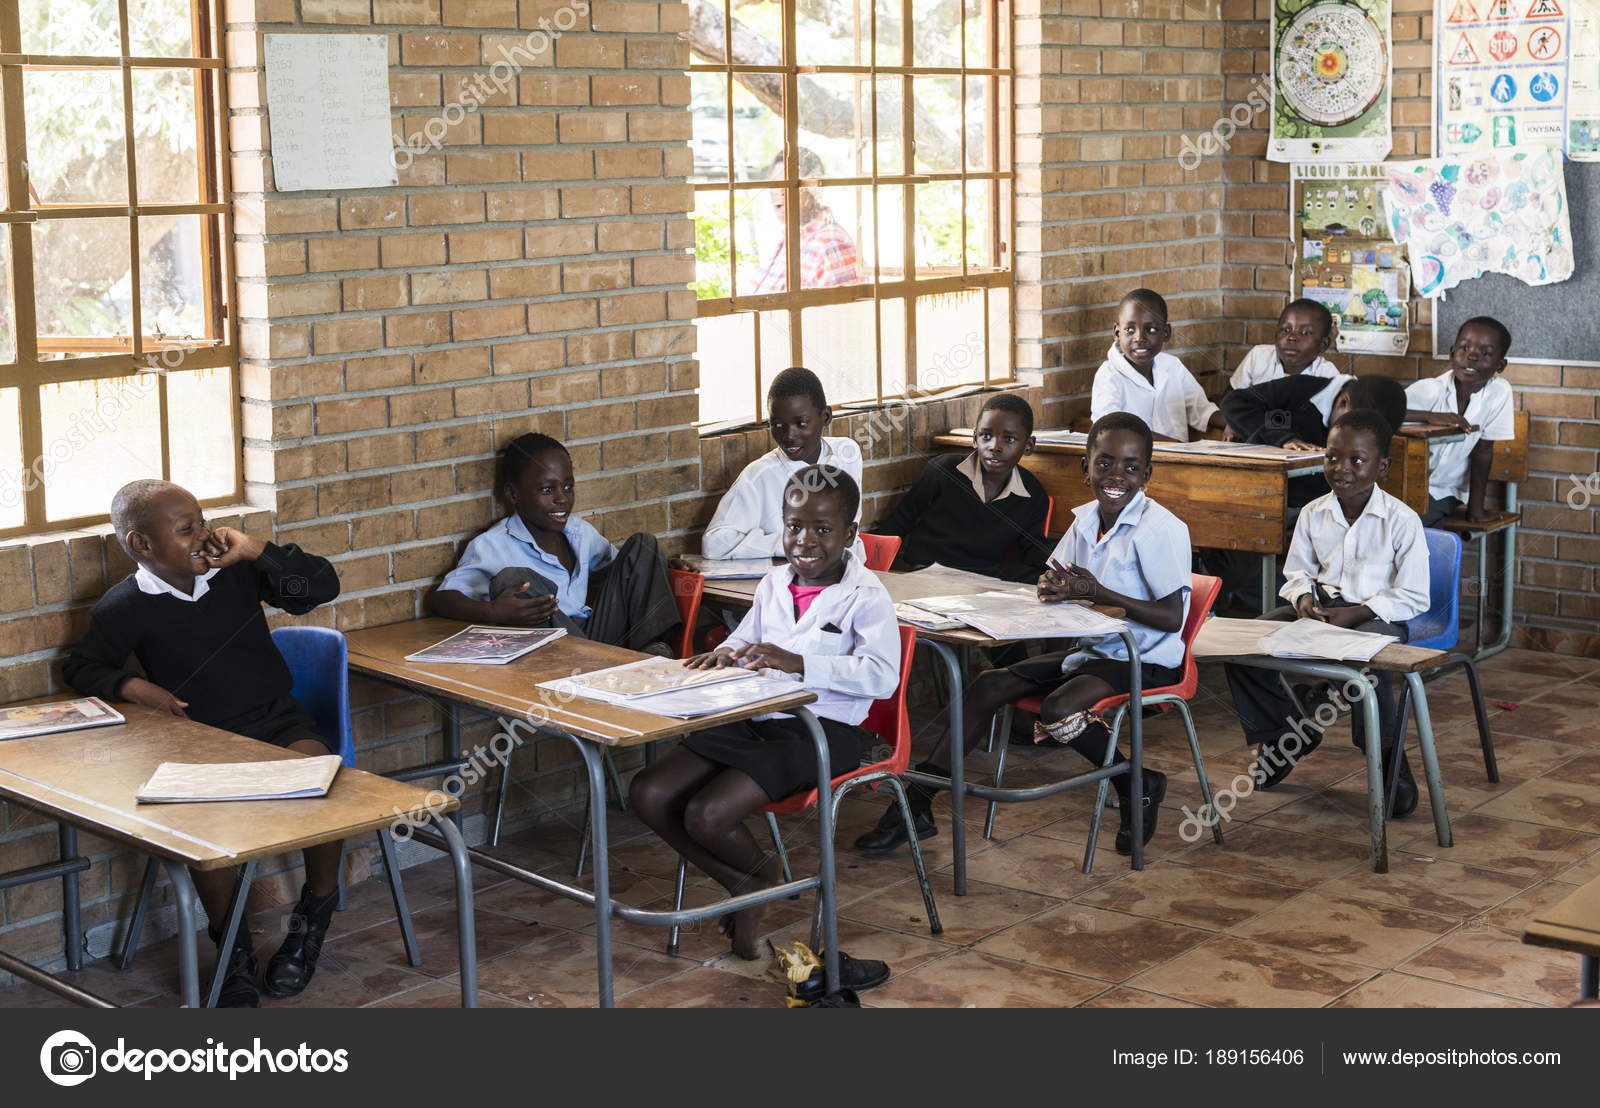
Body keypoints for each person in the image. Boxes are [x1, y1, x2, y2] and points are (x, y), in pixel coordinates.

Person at [855, 413, 1190, 857]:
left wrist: (1099, 592)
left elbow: (1171, 617)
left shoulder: (1162, 529)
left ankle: (1135, 782)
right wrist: (1053, 587)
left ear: (1146, 474)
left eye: (1131, 467)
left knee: (1058, 708)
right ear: (1085, 467)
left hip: (1143, 657)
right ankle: (915, 808)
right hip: (1092, 650)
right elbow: (1058, 578)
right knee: (986, 685)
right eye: (1104, 464)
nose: (1116, 477)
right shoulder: (1087, 520)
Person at [62, 480, 342, 1007]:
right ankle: (231, 946)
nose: (203, 536)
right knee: (201, 825)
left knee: (321, 781)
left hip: (276, 721)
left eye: (203, 522)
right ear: (140, 545)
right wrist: (134, 685)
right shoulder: (124, 607)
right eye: (186, 529)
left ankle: (313, 916)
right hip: (202, 739)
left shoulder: (235, 573)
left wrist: (257, 549)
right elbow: (80, 666)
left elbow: (320, 588)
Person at [629, 466, 894, 993]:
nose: (805, 540)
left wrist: (800, 663)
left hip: (821, 732)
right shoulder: (774, 583)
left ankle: (758, 879)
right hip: (755, 717)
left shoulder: (866, 596)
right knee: (648, 792)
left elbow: (883, 677)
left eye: (822, 528)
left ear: (850, 532)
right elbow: (749, 641)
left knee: (707, 813)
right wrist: (724, 654)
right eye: (794, 526)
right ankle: (749, 880)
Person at [1223, 409, 1431, 814]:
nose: (1343, 469)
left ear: (1382, 466)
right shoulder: (1312, 513)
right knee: (1241, 647)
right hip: (1321, 610)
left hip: (1378, 616)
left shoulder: (1402, 521)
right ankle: (1287, 732)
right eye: (1333, 457)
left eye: (1357, 460)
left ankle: (1389, 763)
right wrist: (1302, 600)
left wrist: (1356, 613)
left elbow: (1414, 595)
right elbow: (1297, 572)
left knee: (1367, 663)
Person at [428, 433, 680, 652]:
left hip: (597, 637)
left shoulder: (580, 532)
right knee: (513, 578)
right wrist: (494, 612)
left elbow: (627, 571)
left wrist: (666, 567)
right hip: (553, 647)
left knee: (643, 545)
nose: (562, 499)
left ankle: (650, 654)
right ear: (513, 494)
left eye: (568, 487)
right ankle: (599, 668)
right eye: (547, 490)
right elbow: (441, 599)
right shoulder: (492, 545)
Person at [871, 392, 1051, 581]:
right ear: (974, 438)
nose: (994, 446)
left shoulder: (1032, 493)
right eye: (986, 436)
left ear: (1029, 445)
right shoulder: (943, 471)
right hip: (928, 575)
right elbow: (898, 523)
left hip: (984, 582)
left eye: (1009, 439)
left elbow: (1034, 552)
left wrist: (1057, 576)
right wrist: (871, 571)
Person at [701, 366, 865, 561]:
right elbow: (714, 543)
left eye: (801, 423)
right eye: (778, 425)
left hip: (850, 575)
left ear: (826, 417)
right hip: (792, 584)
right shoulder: (759, 476)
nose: (788, 435)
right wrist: (790, 542)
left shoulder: (847, 453)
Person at [1404, 316, 1516, 525]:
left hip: (1445, 491)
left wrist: (1476, 510)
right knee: (1406, 528)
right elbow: (1379, 414)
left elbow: (1483, 451)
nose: (1472, 356)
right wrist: (1429, 416)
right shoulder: (1430, 389)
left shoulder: (1499, 393)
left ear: (1500, 365)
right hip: (1403, 485)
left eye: (1486, 353)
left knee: (1415, 525)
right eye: (1464, 348)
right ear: (1452, 353)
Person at [1090, 288, 1227, 442]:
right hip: (1134, 463)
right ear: (1117, 333)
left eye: (1152, 329)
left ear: (1166, 333)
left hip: (1178, 460)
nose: (1139, 338)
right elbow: (1110, 429)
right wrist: (1174, 446)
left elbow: (1200, 408)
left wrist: (1232, 423)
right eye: (1129, 329)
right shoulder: (1108, 375)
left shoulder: (1172, 366)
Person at [749, 148, 861, 294]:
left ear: (814, 189)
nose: (780, 191)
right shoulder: (791, 238)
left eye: (789, 183)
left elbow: (848, 314)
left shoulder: (832, 244)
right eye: (774, 184)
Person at [1228, 299, 1340, 389]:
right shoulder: (1259, 356)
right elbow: (1231, 397)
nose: (1291, 337)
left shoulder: (1328, 375)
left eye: (1306, 332)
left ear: (1323, 344)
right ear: (1276, 334)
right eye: (1285, 330)